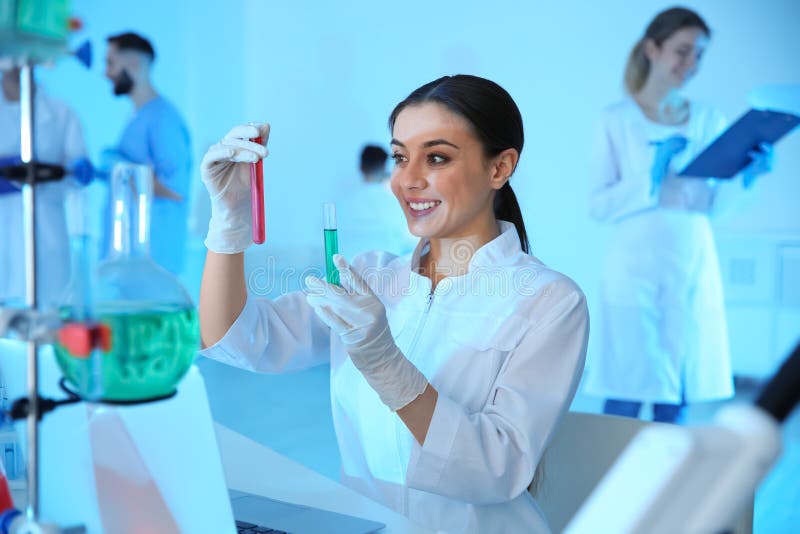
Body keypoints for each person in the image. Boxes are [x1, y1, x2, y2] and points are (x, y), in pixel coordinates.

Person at [197, 75, 589, 533]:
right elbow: (239, 338)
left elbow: (496, 468)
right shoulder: (371, 278)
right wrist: (228, 222)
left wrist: (386, 364)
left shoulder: (549, 302)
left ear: (499, 168)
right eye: (400, 157)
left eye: (437, 157)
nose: (409, 180)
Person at [583, 7, 773, 423]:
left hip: (691, 261)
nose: (691, 64)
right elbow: (598, 205)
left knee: (680, 392)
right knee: (625, 390)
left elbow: (712, 207)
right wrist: (649, 179)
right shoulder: (616, 120)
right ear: (652, 48)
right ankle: (611, 483)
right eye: (683, 51)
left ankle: (672, 485)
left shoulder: (708, 120)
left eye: (699, 55)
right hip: (634, 266)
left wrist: (748, 177)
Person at [103, 32, 192, 275]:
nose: (106, 73)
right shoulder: (138, 117)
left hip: (154, 267)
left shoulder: (163, 119)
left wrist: (124, 170)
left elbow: (175, 190)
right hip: (129, 267)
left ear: (133, 64)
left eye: (111, 63)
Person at [0, 66, 88, 308]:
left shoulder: (61, 114)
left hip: (47, 243)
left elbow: (77, 178)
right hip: (4, 242)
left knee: (47, 321)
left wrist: (70, 173)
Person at [335, 144, 417, 259]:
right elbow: (412, 240)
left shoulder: (343, 205)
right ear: (384, 167)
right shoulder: (393, 204)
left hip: (347, 271)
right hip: (388, 273)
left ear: (361, 168)